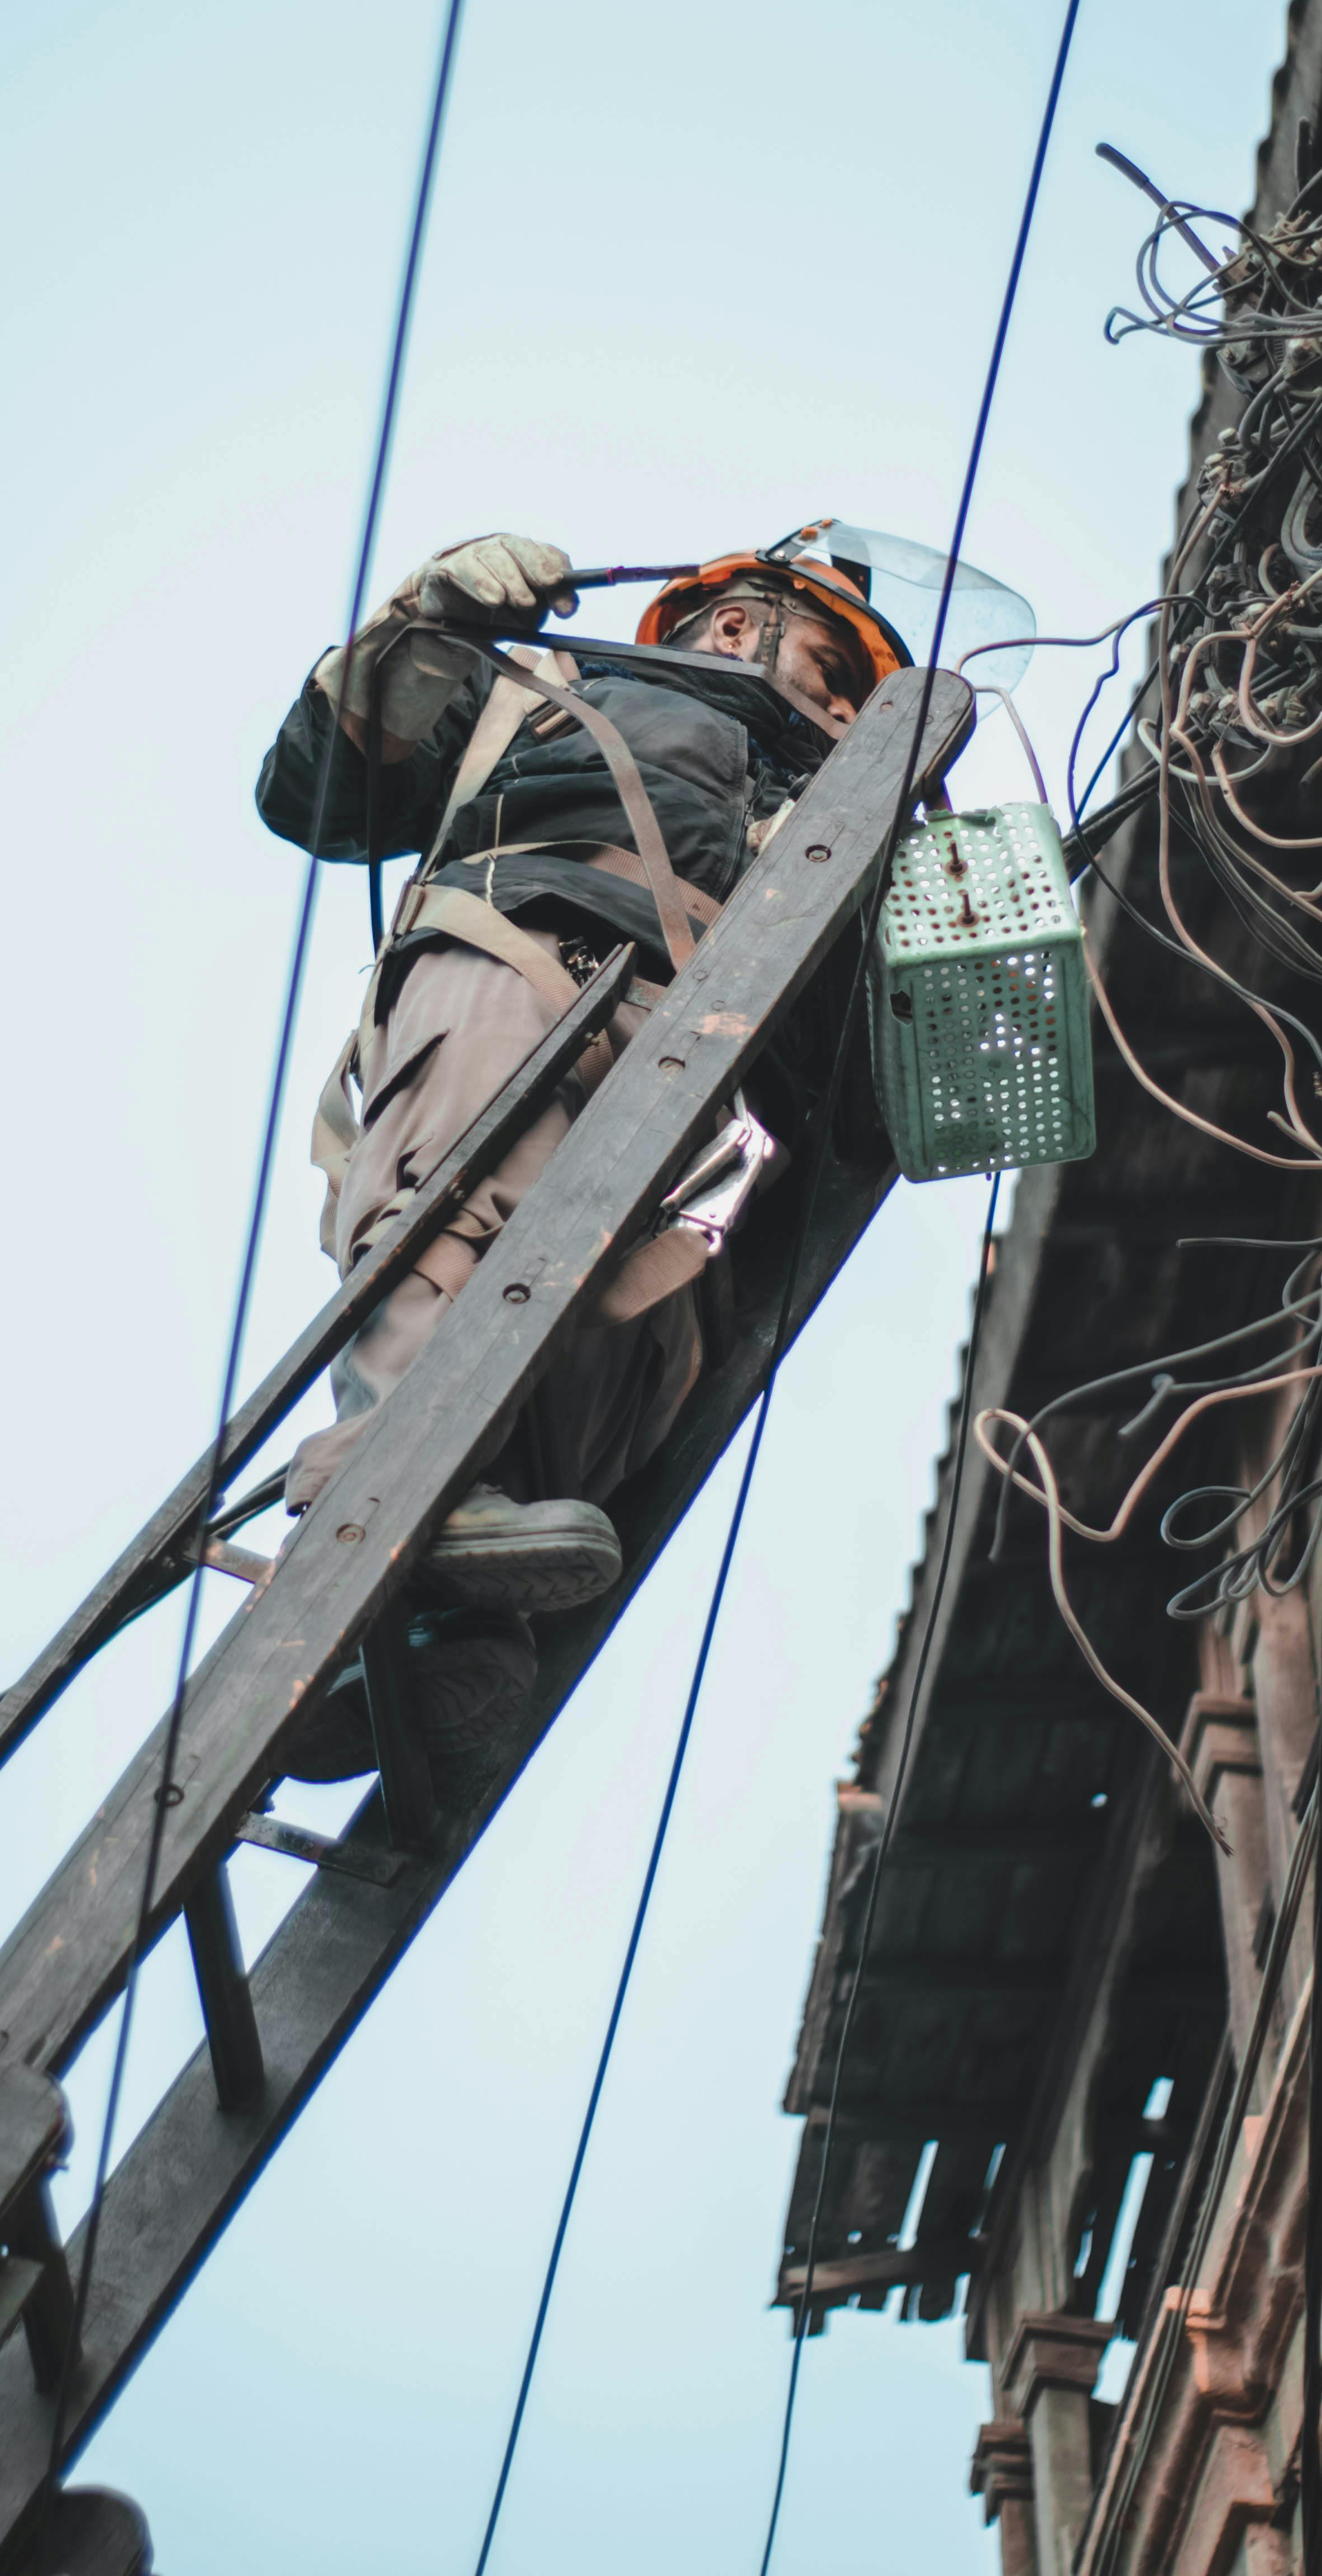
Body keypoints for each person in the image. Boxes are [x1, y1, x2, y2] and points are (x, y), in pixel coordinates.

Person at [254, 532, 908, 1777]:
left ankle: (445, 1623)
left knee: (640, 1328)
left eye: (854, 694)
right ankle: (376, 1494)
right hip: (531, 959)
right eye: (829, 667)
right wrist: (423, 627)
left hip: (715, 1083)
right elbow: (316, 792)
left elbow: (872, 1097)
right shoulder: (555, 694)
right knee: (461, 1206)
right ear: (730, 626)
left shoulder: (845, 823)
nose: (835, 705)